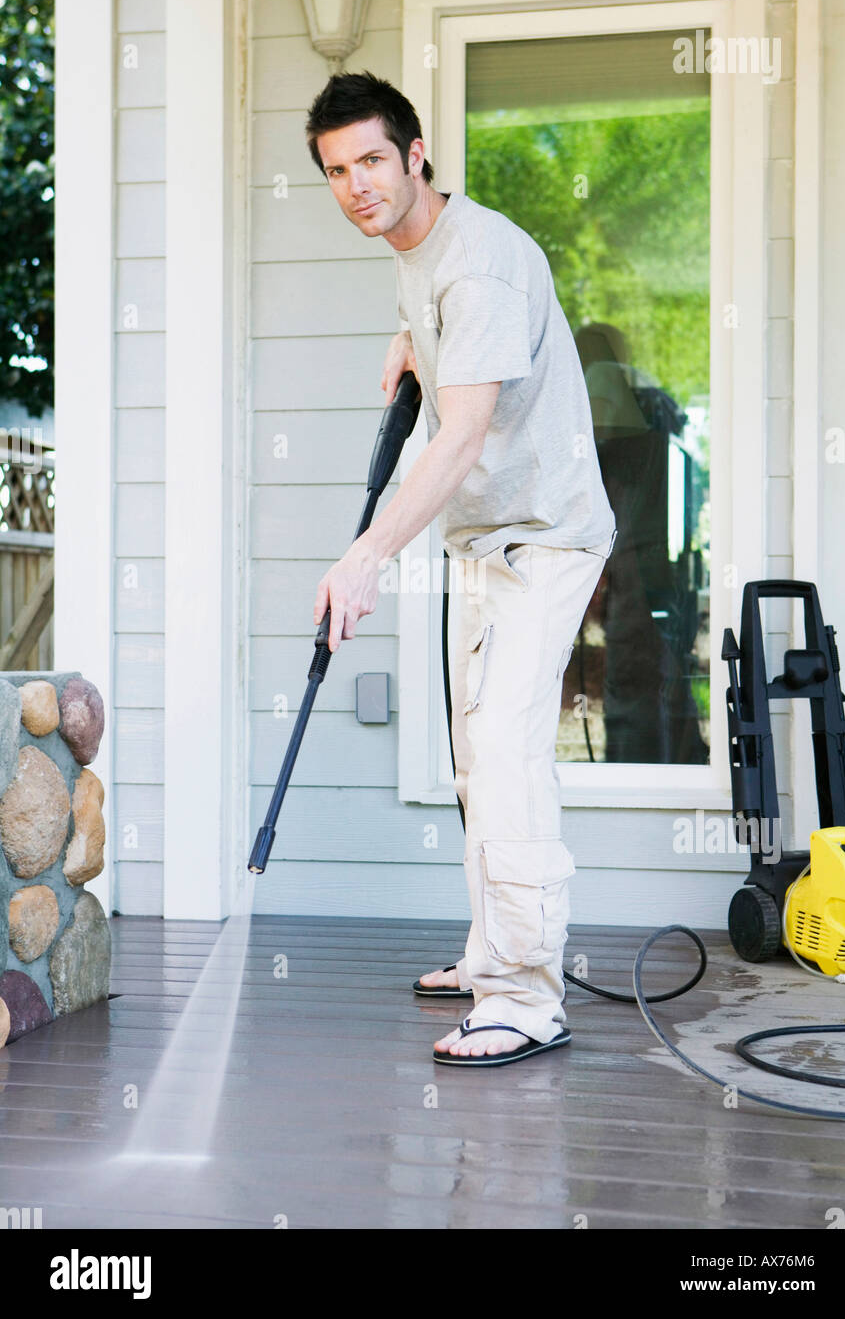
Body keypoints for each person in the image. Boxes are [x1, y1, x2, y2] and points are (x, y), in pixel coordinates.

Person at [305, 70, 616, 1065]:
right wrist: (413, 339)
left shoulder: (477, 264)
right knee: (476, 754)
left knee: (511, 754)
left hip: (544, 535)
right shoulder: (423, 250)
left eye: (371, 161)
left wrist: (364, 558)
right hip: (484, 539)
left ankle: (527, 996)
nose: (357, 185)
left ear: (415, 152)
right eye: (336, 170)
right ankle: (492, 951)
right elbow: (445, 322)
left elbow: (460, 435)